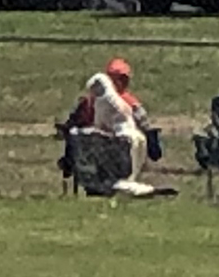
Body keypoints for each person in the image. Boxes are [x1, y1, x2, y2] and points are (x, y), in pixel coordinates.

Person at [59, 58, 163, 196]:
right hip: (108, 152)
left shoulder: (90, 101)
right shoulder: (128, 103)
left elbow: (71, 126)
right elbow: (146, 127)